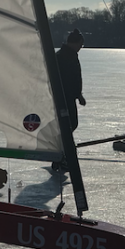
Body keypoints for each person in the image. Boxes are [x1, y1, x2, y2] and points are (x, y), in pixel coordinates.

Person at [51, 29, 86, 171]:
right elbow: (62, 79)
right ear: (74, 43)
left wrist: (78, 95)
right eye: (80, 44)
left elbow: (75, 78)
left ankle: (62, 153)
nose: (81, 47)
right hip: (62, 98)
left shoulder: (71, 55)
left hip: (70, 97)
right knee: (67, 126)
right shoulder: (61, 56)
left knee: (71, 124)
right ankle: (59, 156)